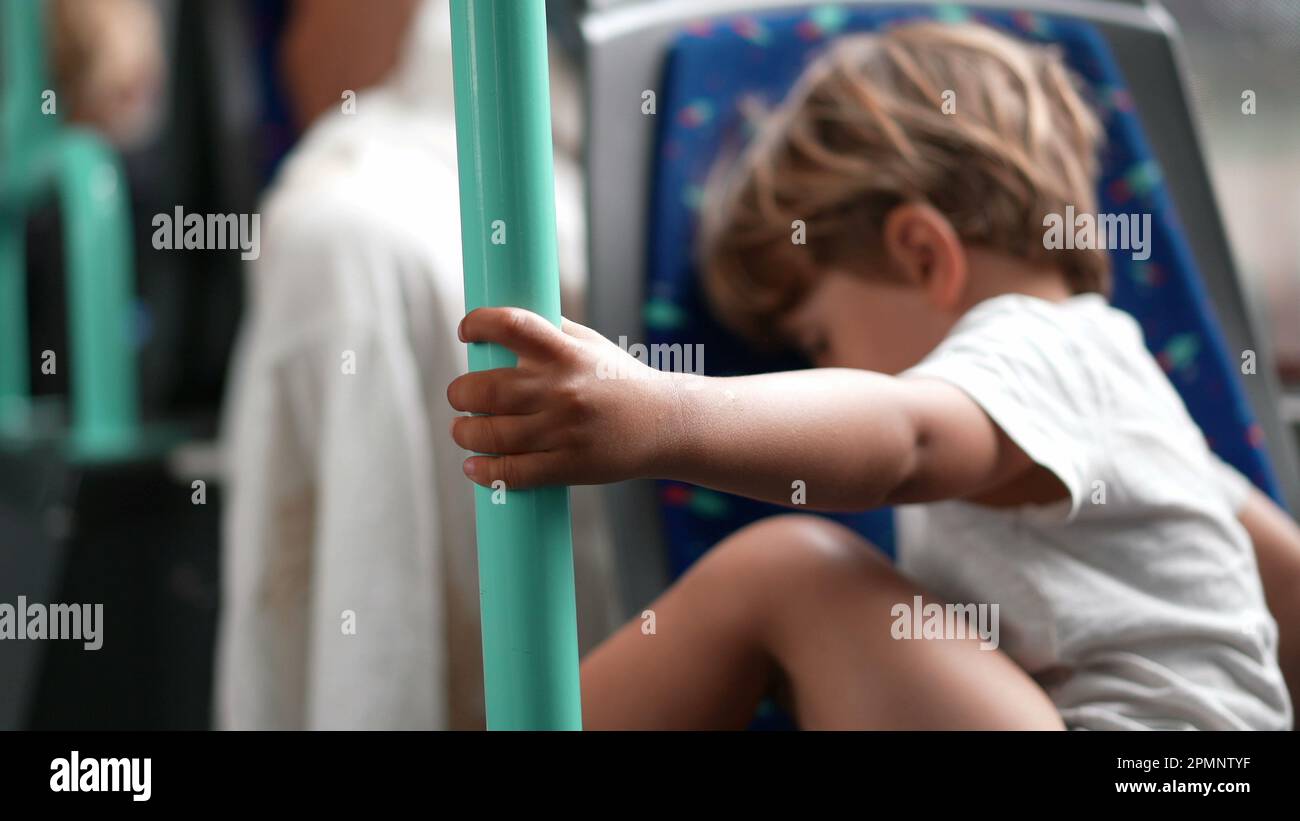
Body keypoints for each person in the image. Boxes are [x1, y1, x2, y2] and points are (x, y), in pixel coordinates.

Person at [447, 22, 1300, 729]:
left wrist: (663, 411)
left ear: (924, 255)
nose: (823, 371)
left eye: (818, 339)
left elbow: (906, 436)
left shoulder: (1037, 346)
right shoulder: (1135, 399)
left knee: (787, 568)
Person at [217, 0, 618, 730]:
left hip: (628, 134)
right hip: (440, 117)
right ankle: (364, 700)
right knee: (339, 248)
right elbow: (331, 73)